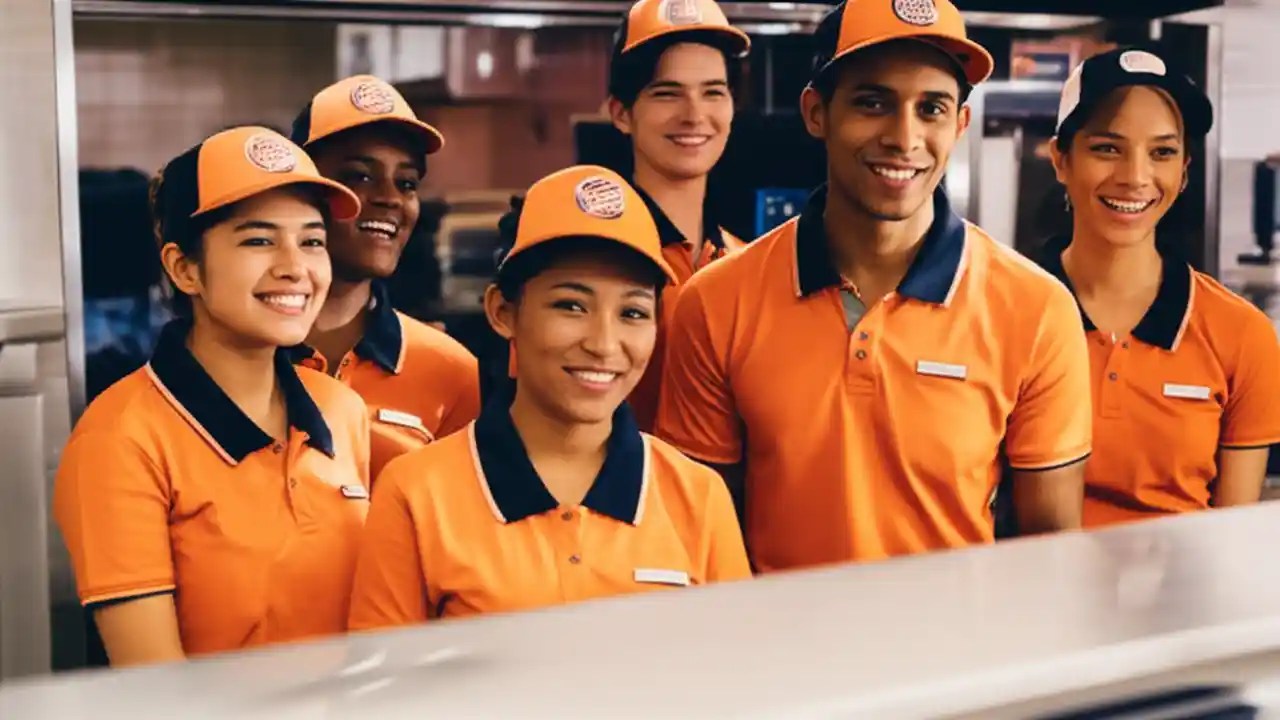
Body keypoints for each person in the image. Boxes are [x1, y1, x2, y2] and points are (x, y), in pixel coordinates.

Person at [655, 0, 1093, 573]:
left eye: (931, 108)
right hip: (772, 653)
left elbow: (1050, 556)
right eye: (873, 102)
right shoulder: (717, 301)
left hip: (959, 655)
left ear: (958, 125)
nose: (904, 137)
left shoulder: (1036, 310)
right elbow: (701, 535)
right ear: (817, 112)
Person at [347, 165, 750, 630]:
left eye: (633, 312)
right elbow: (384, 693)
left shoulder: (697, 497)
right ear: (503, 312)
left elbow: (727, 687)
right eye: (571, 306)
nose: (604, 343)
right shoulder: (416, 494)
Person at [53, 127, 371, 666]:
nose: (295, 266)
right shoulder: (120, 440)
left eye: (312, 240)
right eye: (259, 239)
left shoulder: (341, 409)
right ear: (184, 269)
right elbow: (157, 683)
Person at [1039, 46, 1280, 527]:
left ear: (1184, 172)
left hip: (1181, 601)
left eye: (1163, 152)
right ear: (1061, 160)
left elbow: (1230, 538)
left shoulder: (1242, 334)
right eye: (1107, 147)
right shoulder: (1009, 314)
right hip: (1028, 595)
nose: (1135, 177)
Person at [290, 75, 481, 480]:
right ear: (304, 190)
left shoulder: (452, 371)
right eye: (359, 175)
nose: (390, 198)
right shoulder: (245, 355)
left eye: (406, 183)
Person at [606, 0, 751, 431]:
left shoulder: (749, 265)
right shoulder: (589, 253)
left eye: (713, 92)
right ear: (621, 114)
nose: (694, 115)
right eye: (667, 93)